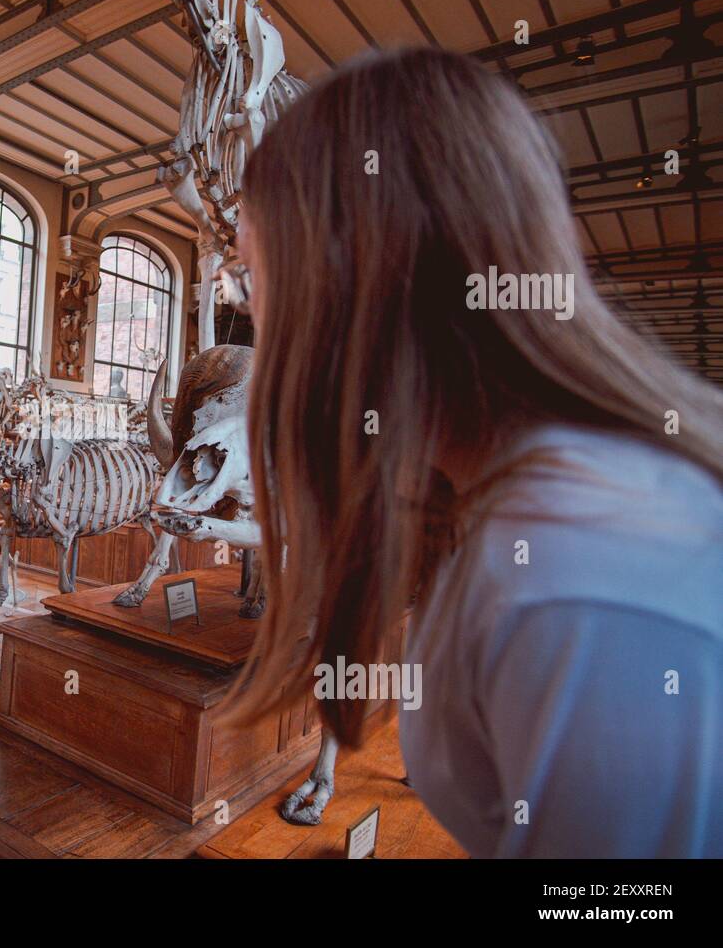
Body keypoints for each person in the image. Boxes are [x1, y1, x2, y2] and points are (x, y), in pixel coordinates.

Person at [224, 46, 723, 857]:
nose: (253, 315)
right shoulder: (516, 506)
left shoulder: (581, 576)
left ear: (350, 271)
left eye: (253, 276)